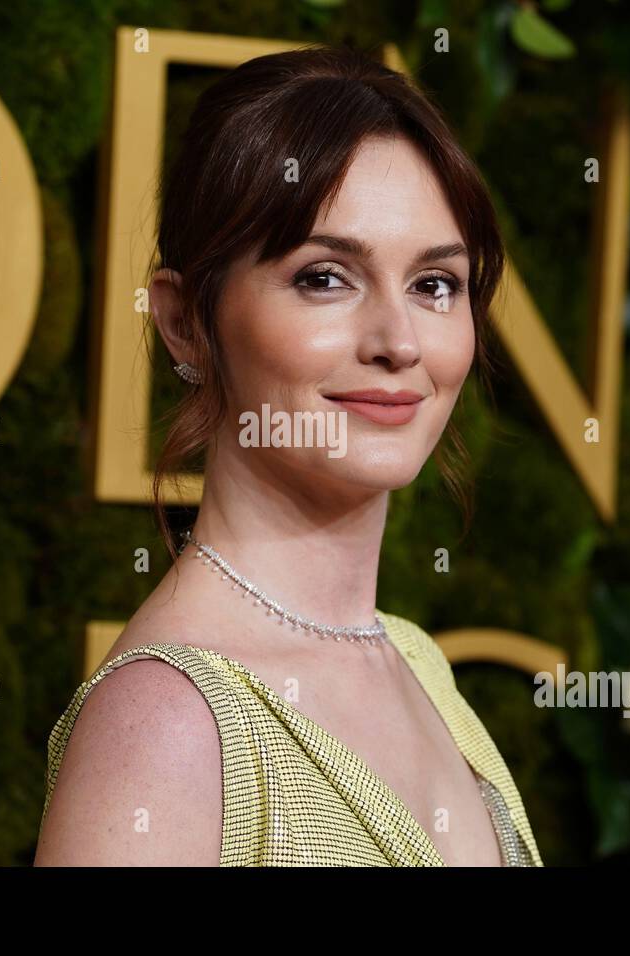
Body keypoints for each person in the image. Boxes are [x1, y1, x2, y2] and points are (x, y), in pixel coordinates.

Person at [34, 43, 542, 867]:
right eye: (325, 278)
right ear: (184, 321)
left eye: (435, 284)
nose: (399, 342)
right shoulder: (168, 723)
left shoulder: (419, 663)